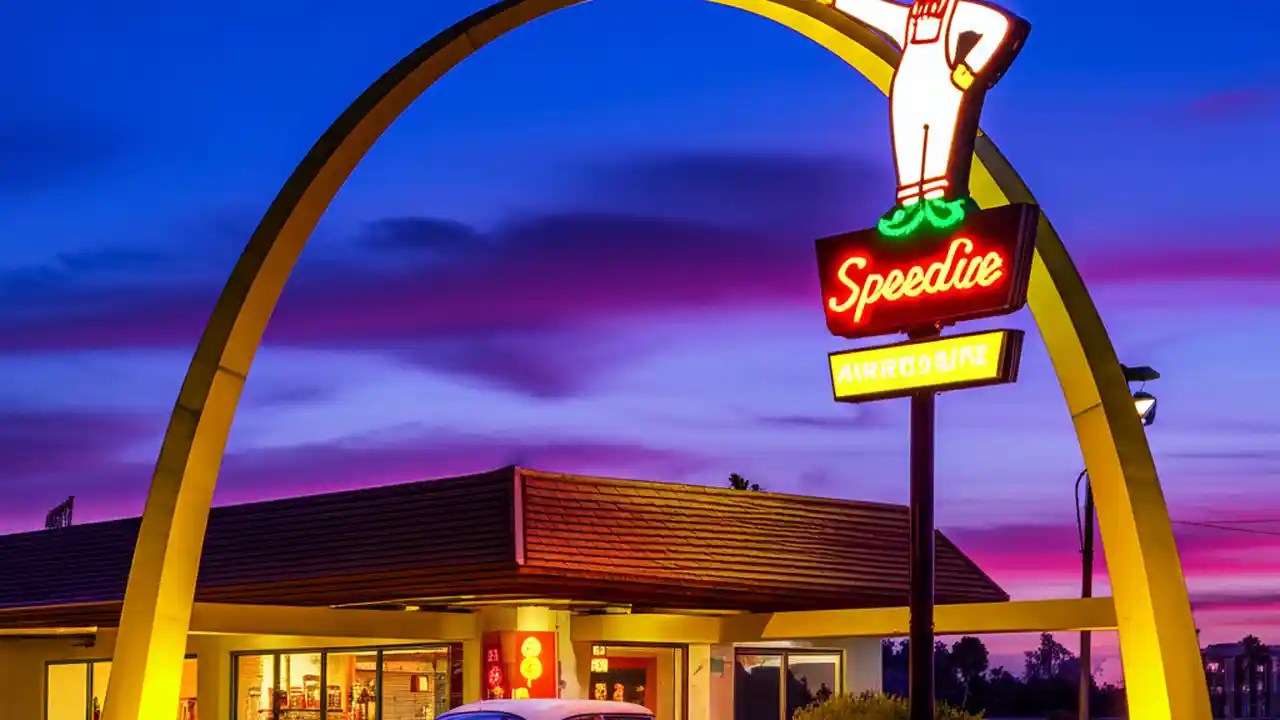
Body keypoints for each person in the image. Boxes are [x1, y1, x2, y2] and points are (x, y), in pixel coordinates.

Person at [815, 0, 1029, 236]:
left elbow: (1000, 27)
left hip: (945, 89)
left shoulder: (957, 11)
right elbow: (874, 11)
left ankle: (938, 199)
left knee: (942, 138)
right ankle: (908, 205)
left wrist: (970, 68)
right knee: (909, 143)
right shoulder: (908, 18)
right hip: (907, 92)